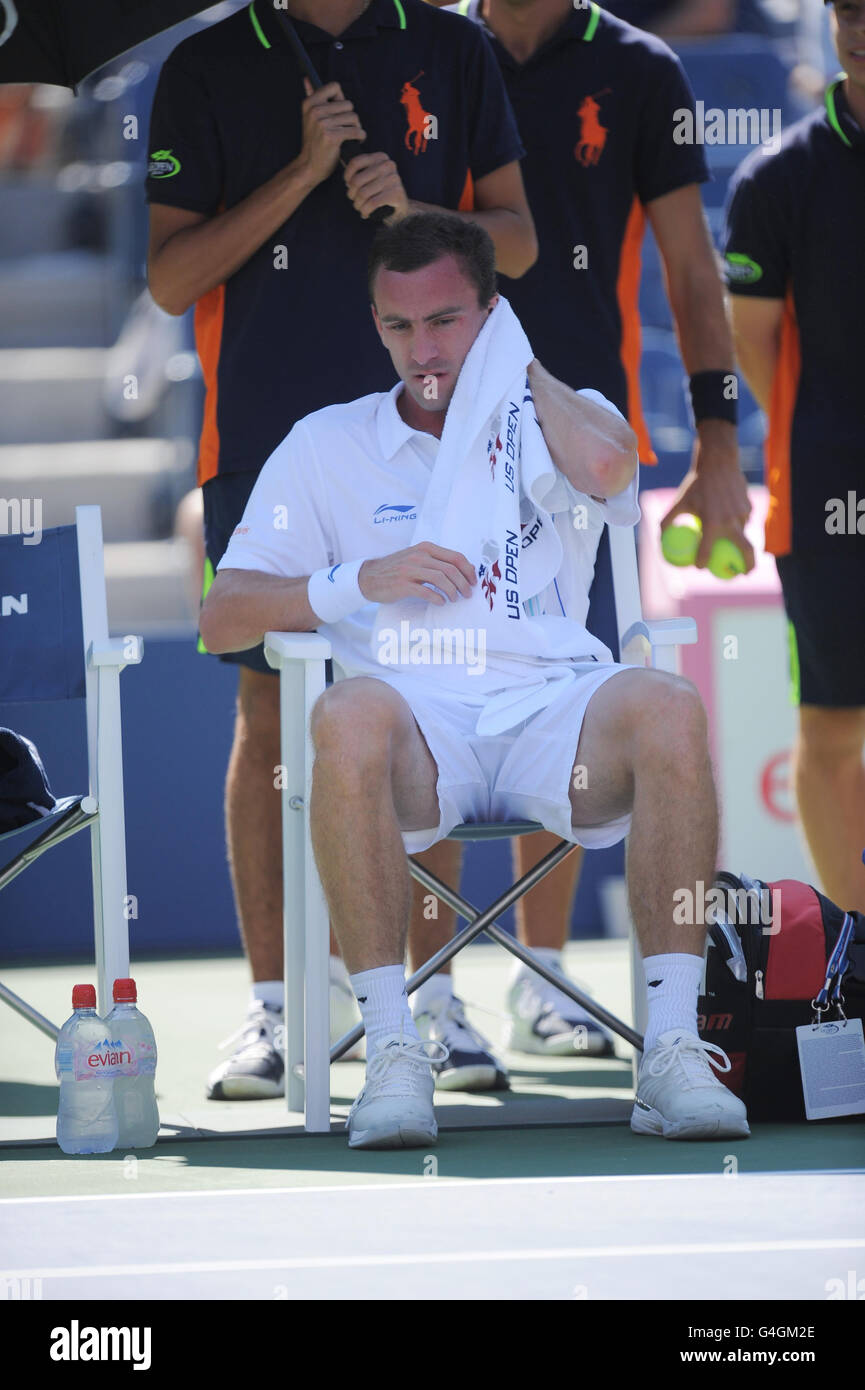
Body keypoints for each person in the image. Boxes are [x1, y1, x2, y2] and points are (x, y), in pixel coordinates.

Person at [199, 210, 751, 1149]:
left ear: (492, 315)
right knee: (345, 710)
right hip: (417, 730)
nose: (424, 349)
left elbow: (613, 466)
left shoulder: (560, 413)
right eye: (399, 326)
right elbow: (223, 616)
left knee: (669, 703)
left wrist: (515, 370)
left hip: (554, 712)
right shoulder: (325, 442)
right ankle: (390, 1051)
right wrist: (353, 582)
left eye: (448, 322)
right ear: (373, 324)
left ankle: (669, 1052)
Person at [145, 0, 537, 1099]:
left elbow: (518, 240)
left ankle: (435, 1001)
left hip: (433, 442)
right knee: (267, 709)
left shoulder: (453, 46)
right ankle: (280, 1012)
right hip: (265, 441)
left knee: (436, 695)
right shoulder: (210, 63)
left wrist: (411, 208)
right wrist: (302, 171)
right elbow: (171, 279)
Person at [402, 0, 752, 1079]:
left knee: (569, 690)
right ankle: (431, 997)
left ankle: (538, 978)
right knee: (428, 692)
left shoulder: (641, 72)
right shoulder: (423, 51)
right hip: (429, 433)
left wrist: (720, 442)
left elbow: (693, 268)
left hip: (582, 449)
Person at [723, 0, 865, 915]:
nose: (858, 25)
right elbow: (757, 354)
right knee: (833, 727)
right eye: (847, 7)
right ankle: (857, 954)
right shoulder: (776, 178)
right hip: (825, 491)